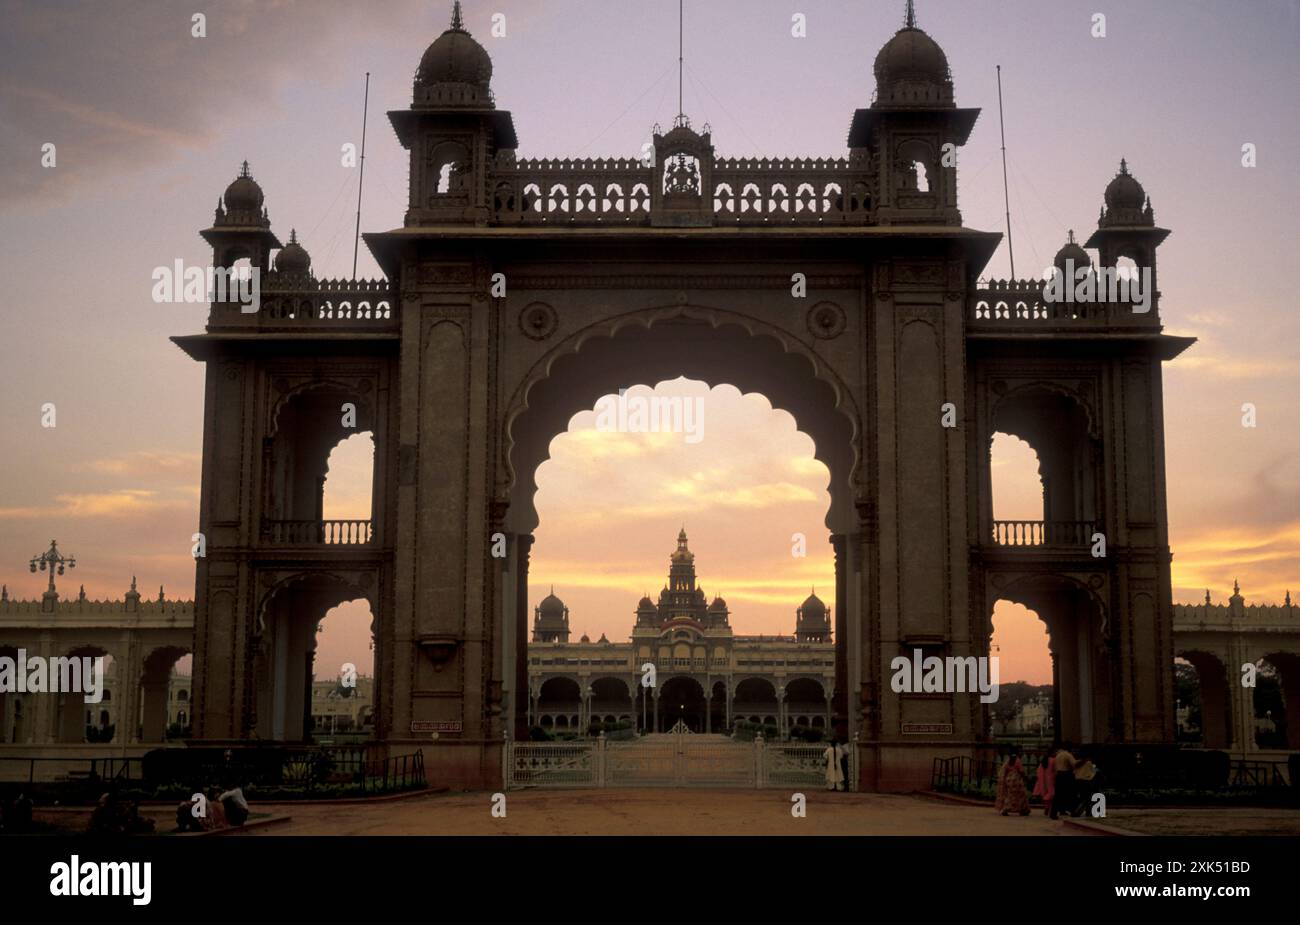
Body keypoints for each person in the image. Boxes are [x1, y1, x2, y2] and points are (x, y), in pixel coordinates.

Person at [1049, 742, 1076, 820]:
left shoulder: (1058, 755)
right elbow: (1074, 764)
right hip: (1066, 775)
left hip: (1059, 775)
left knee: (1058, 795)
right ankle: (1072, 811)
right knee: (1070, 794)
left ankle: (1053, 813)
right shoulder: (1068, 755)